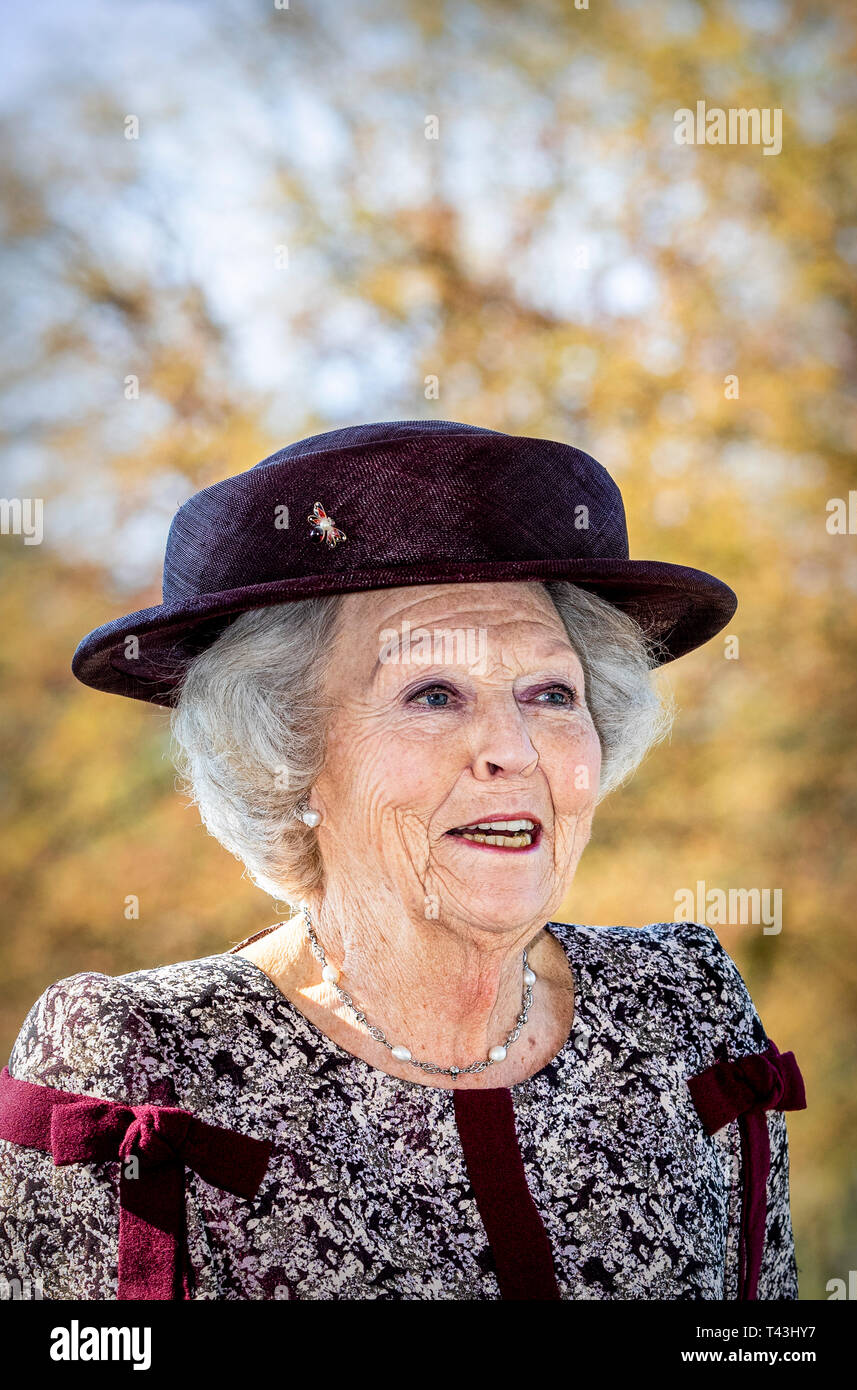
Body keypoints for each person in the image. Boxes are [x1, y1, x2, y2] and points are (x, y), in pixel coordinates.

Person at [0, 419, 805, 1300]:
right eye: (433, 694)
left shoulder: (685, 1005)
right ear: (289, 753)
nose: (514, 750)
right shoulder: (136, 1068)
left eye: (550, 693)